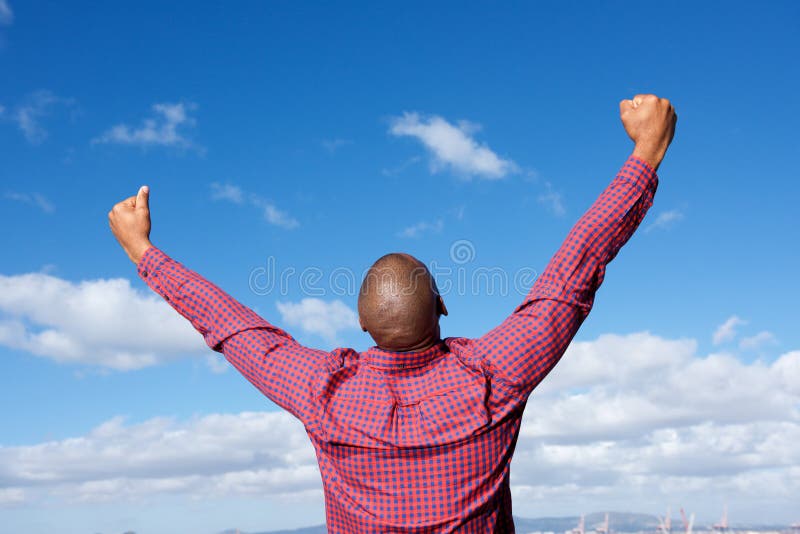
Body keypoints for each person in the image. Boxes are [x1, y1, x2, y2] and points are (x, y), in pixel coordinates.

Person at [109, 94, 676, 533]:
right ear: (444, 307)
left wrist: (143, 251)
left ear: (362, 326)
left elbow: (232, 326)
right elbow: (573, 273)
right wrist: (644, 155)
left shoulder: (321, 390)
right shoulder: (492, 375)